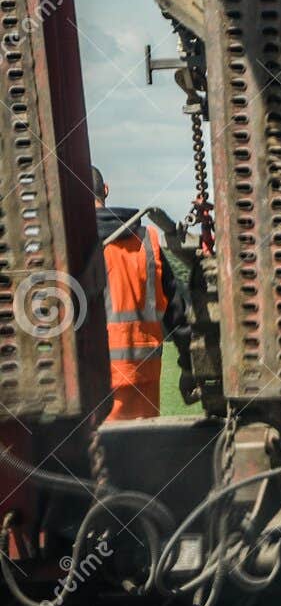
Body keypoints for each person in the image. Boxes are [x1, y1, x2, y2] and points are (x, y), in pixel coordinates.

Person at [92, 166, 192, 421]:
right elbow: (177, 313)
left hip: (90, 387)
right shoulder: (147, 240)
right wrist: (189, 366)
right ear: (105, 190)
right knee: (142, 455)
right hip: (144, 379)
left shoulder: (71, 245)